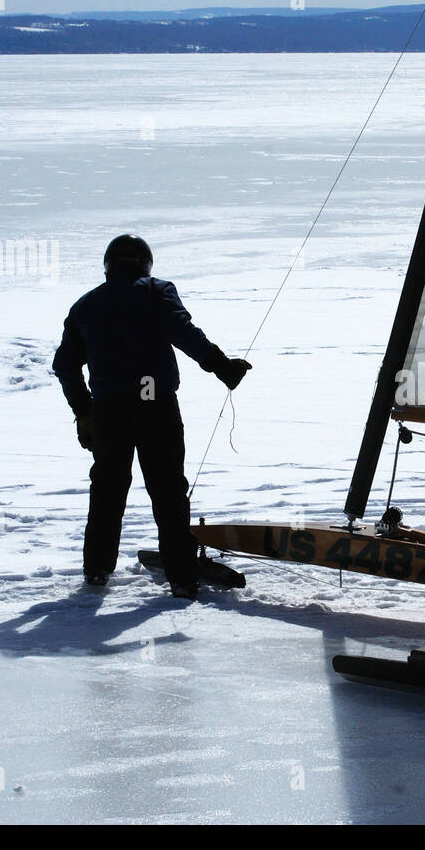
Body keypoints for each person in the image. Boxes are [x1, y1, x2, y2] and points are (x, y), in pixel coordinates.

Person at [52, 234, 250, 599]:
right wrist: (221, 366)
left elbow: (64, 366)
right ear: (146, 262)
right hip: (154, 403)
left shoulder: (86, 306)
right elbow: (183, 332)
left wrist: (84, 411)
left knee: (108, 490)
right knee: (168, 490)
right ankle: (181, 577)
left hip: (109, 410)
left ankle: (96, 570)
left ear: (109, 265)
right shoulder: (156, 291)